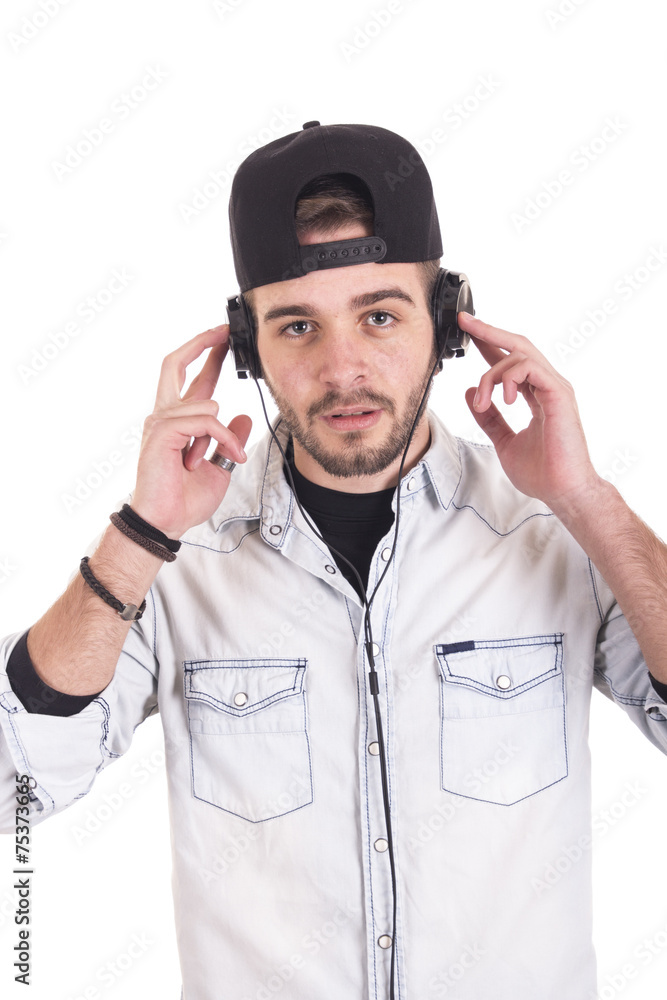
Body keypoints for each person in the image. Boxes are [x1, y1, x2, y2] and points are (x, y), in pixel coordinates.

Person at [1, 120, 667, 1000]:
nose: (342, 367)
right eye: (297, 327)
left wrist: (584, 498)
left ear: (446, 325)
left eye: (380, 315)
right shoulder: (174, 565)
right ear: (246, 349)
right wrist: (140, 534)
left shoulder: (554, 537)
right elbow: (18, 791)